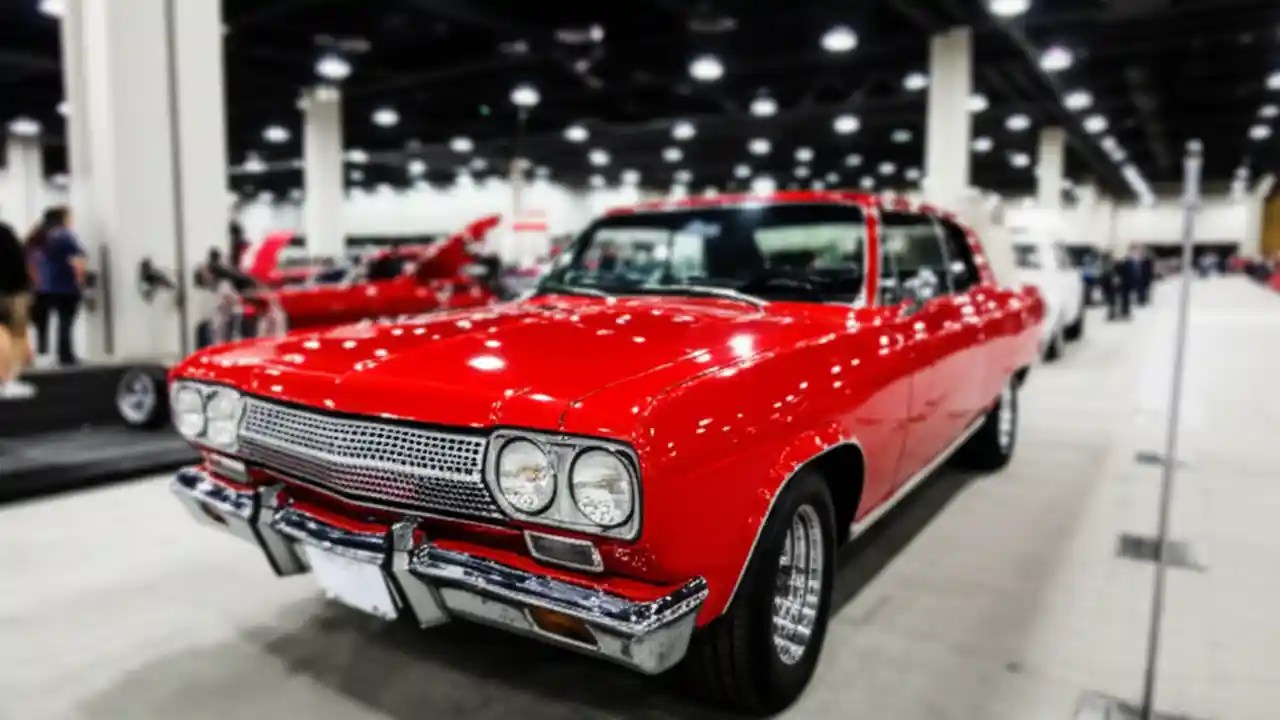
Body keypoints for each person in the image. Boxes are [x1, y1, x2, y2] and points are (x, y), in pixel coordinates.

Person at [27, 206, 86, 366]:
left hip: (44, 287)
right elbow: (78, 258)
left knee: (42, 324)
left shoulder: (38, 237)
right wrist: (80, 280)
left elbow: (31, 262)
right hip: (65, 285)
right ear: (63, 218)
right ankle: (65, 355)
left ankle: (41, 354)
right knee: (65, 322)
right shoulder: (64, 235)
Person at [0, 221, 37, 398]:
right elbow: (19, 259)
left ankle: (7, 379)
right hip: (15, 291)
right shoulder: (6, 231)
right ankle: (9, 380)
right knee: (15, 337)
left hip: (11, 289)